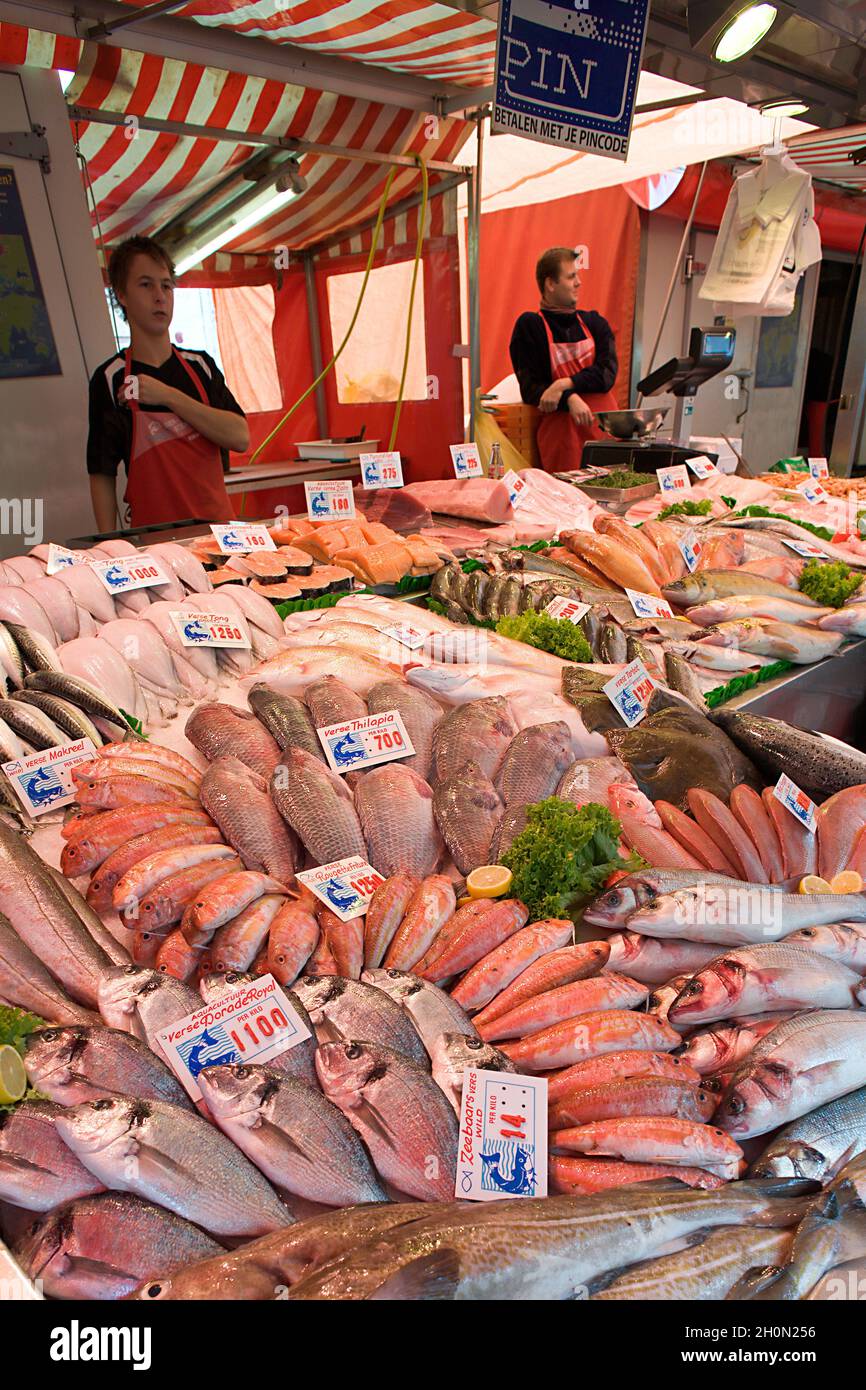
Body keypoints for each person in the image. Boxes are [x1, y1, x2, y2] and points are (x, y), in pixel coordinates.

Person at [87, 235, 249, 531]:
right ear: (121, 294)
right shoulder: (110, 378)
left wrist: (169, 396)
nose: (160, 296)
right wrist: (111, 546)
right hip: (154, 542)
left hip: (221, 536)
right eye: (146, 285)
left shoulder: (199, 366)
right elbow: (101, 471)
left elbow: (240, 436)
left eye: (166, 285)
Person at [509, 246, 618, 472]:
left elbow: (606, 375)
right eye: (571, 277)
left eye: (577, 276)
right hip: (563, 444)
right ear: (550, 284)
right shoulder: (531, 326)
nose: (579, 282)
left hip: (603, 436)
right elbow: (531, 389)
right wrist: (570, 398)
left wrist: (564, 384)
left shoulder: (595, 323)